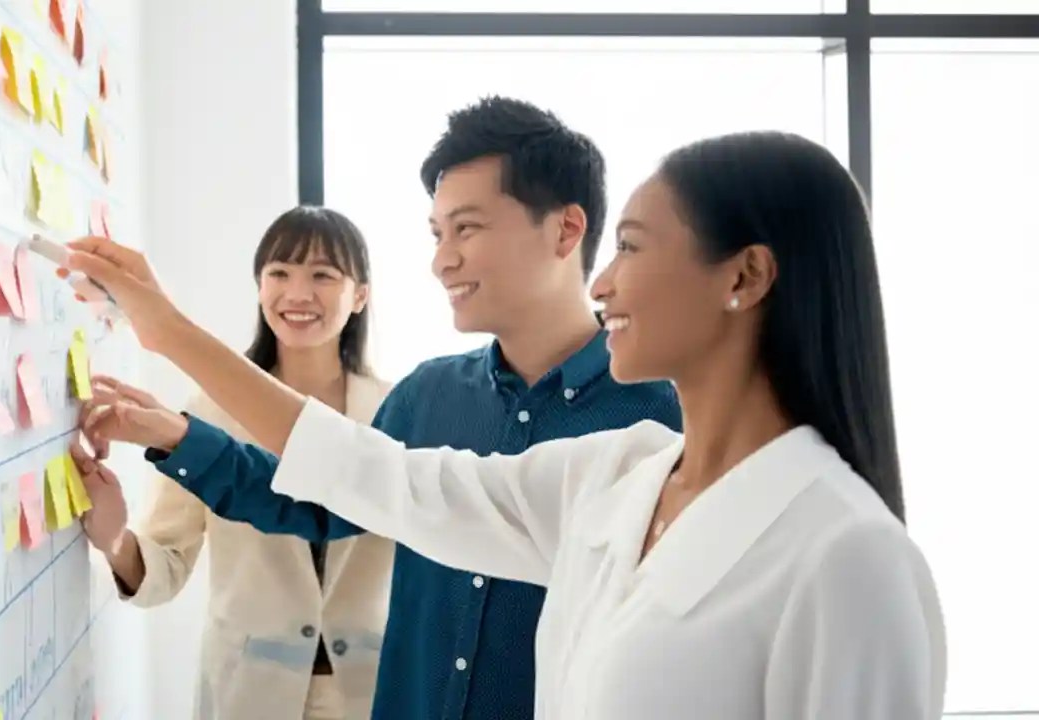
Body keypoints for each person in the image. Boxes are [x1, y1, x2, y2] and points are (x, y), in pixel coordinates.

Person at [66, 130, 947, 718]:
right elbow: (366, 480)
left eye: (632, 248)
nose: (606, 283)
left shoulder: (850, 557)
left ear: (744, 277)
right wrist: (168, 337)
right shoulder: (614, 475)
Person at [69, 97, 682, 720]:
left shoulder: (665, 421)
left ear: (566, 230)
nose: (442, 260)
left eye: (467, 229)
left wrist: (169, 334)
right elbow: (319, 498)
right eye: (437, 233)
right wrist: (178, 435)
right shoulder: (425, 397)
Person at [73, 206, 395, 720]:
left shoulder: (397, 413)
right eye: (280, 273)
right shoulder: (208, 414)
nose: (298, 293)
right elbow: (167, 564)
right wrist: (115, 540)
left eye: (322, 276)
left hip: (373, 692)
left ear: (360, 295)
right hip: (250, 693)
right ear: (259, 287)